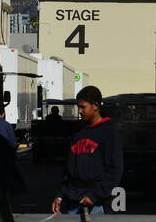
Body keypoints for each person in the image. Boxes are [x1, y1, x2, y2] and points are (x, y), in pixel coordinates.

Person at [52, 86, 123, 215]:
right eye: (78, 107)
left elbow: (115, 170)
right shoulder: (77, 131)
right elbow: (68, 170)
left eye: (82, 107)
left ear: (95, 106)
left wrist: (95, 196)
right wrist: (60, 195)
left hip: (97, 204)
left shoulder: (109, 131)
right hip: (73, 201)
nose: (79, 111)